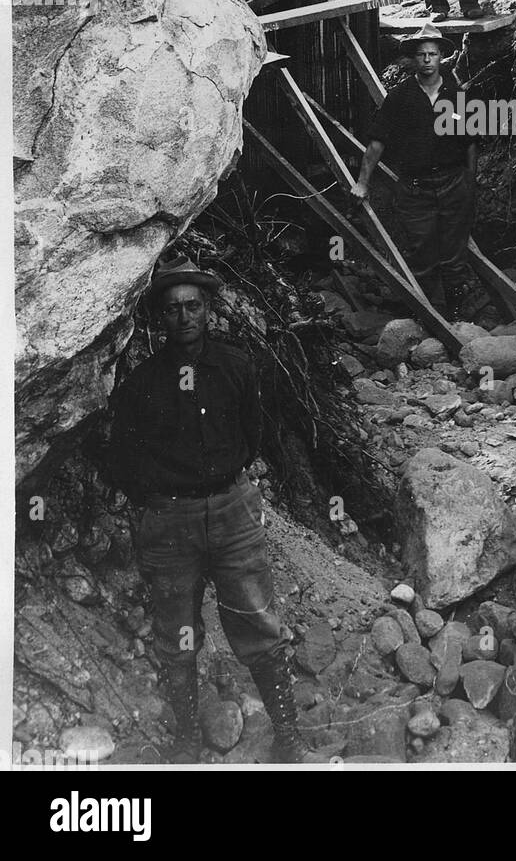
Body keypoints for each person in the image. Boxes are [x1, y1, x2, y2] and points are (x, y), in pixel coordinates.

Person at [105, 258, 324, 764]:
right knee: (176, 635)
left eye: (193, 306)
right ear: (161, 317)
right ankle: (186, 738)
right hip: (170, 523)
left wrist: (223, 486)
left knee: (258, 621)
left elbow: (253, 435)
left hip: (232, 511)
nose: (184, 317)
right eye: (174, 309)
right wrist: (164, 499)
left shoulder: (237, 367)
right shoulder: (141, 384)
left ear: (208, 311)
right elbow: (122, 461)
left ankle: (287, 736)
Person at [351, 25, 477, 316]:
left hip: (453, 182)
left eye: (433, 54)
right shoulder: (400, 97)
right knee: (421, 251)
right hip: (415, 187)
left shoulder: (457, 95)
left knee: (454, 254)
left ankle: (456, 314)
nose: (428, 60)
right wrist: (362, 182)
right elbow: (377, 143)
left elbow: (471, 144)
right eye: (422, 55)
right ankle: (423, 315)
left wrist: (469, 184)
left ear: (442, 57)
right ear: (413, 59)